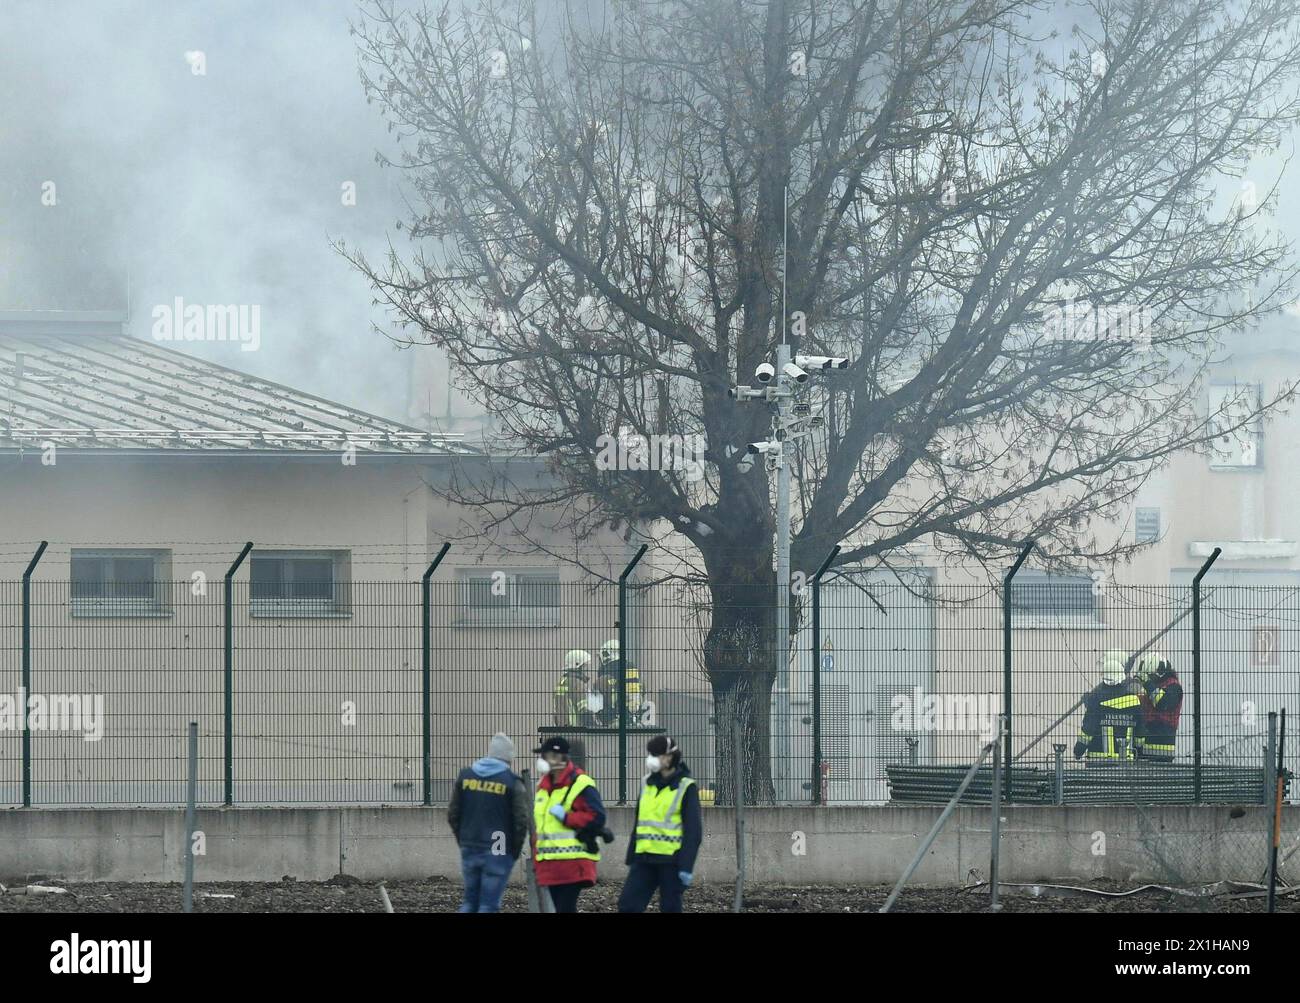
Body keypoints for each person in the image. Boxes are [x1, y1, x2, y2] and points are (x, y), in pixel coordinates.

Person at [618, 735, 702, 913]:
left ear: (670, 757)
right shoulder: (647, 783)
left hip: (671, 861)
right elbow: (639, 821)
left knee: (670, 907)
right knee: (628, 905)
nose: (652, 759)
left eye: (656, 754)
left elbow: (693, 831)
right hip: (644, 858)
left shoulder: (686, 787)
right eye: (651, 754)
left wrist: (686, 866)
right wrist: (631, 856)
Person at [447, 732, 529, 913]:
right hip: (497, 849)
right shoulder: (511, 782)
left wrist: (464, 840)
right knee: (488, 905)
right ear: (509, 758)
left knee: (469, 902)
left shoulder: (466, 776)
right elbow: (521, 821)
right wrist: (514, 852)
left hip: (470, 845)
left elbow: (453, 814)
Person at [532, 736, 607, 912]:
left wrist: (567, 818)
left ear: (560, 758)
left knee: (565, 908)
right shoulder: (543, 787)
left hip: (573, 863)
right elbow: (540, 828)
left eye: (546, 756)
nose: (542, 761)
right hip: (550, 865)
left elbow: (597, 817)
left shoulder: (581, 784)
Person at [1073, 649, 1143, 765]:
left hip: (1098, 761)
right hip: (1125, 761)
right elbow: (1140, 732)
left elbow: (1088, 729)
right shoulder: (1134, 699)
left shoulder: (1097, 698)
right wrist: (1139, 752)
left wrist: (1078, 751)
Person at [1133, 651, 1183, 762]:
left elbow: (1162, 703)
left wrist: (1147, 683)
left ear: (1160, 672)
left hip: (1162, 750)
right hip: (1142, 749)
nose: (1150, 679)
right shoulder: (1152, 687)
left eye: (1150, 676)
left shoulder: (1174, 687)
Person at [594, 639, 645, 727]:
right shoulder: (633, 669)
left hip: (613, 720)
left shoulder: (607, 672)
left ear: (607, 654)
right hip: (634, 719)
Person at [553, 649, 596, 728]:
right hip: (575, 729)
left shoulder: (562, 682)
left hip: (561, 728)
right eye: (584, 666)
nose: (586, 670)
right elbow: (583, 708)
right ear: (577, 665)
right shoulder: (576, 683)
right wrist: (593, 725)